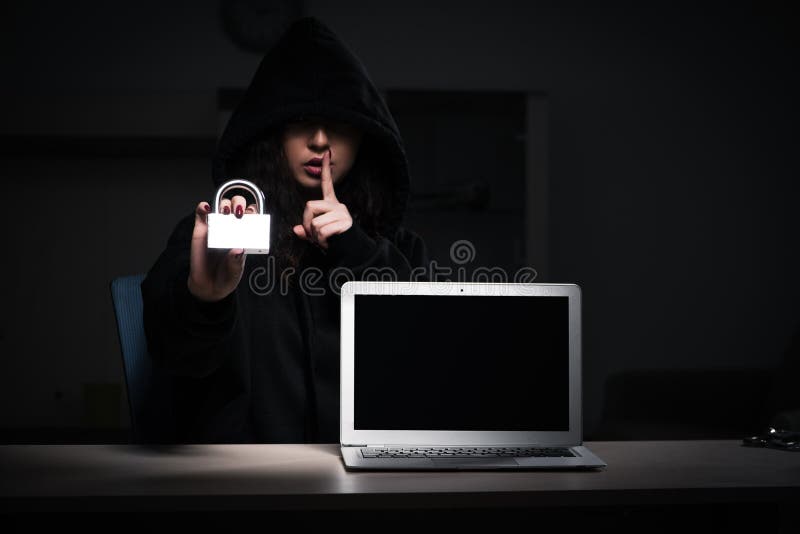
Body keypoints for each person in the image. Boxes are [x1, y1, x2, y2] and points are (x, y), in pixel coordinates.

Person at [141, 17, 428, 444]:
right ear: (272, 132)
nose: (319, 140)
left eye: (340, 124)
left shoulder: (397, 249)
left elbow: (427, 364)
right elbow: (175, 359)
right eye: (301, 123)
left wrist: (359, 252)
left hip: (365, 482)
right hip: (245, 483)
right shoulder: (218, 235)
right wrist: (204, 298)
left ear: (367, 139)